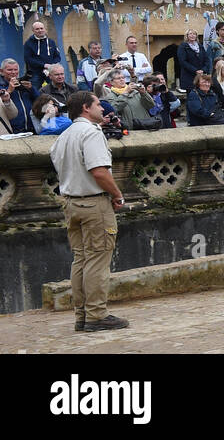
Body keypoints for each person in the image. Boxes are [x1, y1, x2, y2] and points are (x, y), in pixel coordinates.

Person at [50, 91, 129, 332]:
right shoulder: (90, 133)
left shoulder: (63, 136)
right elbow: (99, 171)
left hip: (71, 202)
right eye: (97, 104)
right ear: (86, 108)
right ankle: (96, 314)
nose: (102, 109)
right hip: (93, 203)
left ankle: (82, 315)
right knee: (97, 259)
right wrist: (117, 195)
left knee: (81, 259)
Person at [2, 58, 38, 133]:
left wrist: (31, 89)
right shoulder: (1, 86)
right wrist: (9, 90)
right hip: (10, 131)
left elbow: (39, 100)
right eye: (9, 70)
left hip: (31, 129)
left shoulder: (23, 83)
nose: (13, 72)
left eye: (15, 70)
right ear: (1, 71)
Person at [24, 21, 61, 91]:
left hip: (50, 71)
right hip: (35, 72)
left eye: (41, 28)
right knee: (34, 91)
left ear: (45, 29)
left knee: (57, 89)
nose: (40, 30)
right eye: (37, 29)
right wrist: (44, 65)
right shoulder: (28, 43)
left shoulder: (51, 42)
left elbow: (57, 57)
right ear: (33, 31)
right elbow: (28, 59)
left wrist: (51, 66)